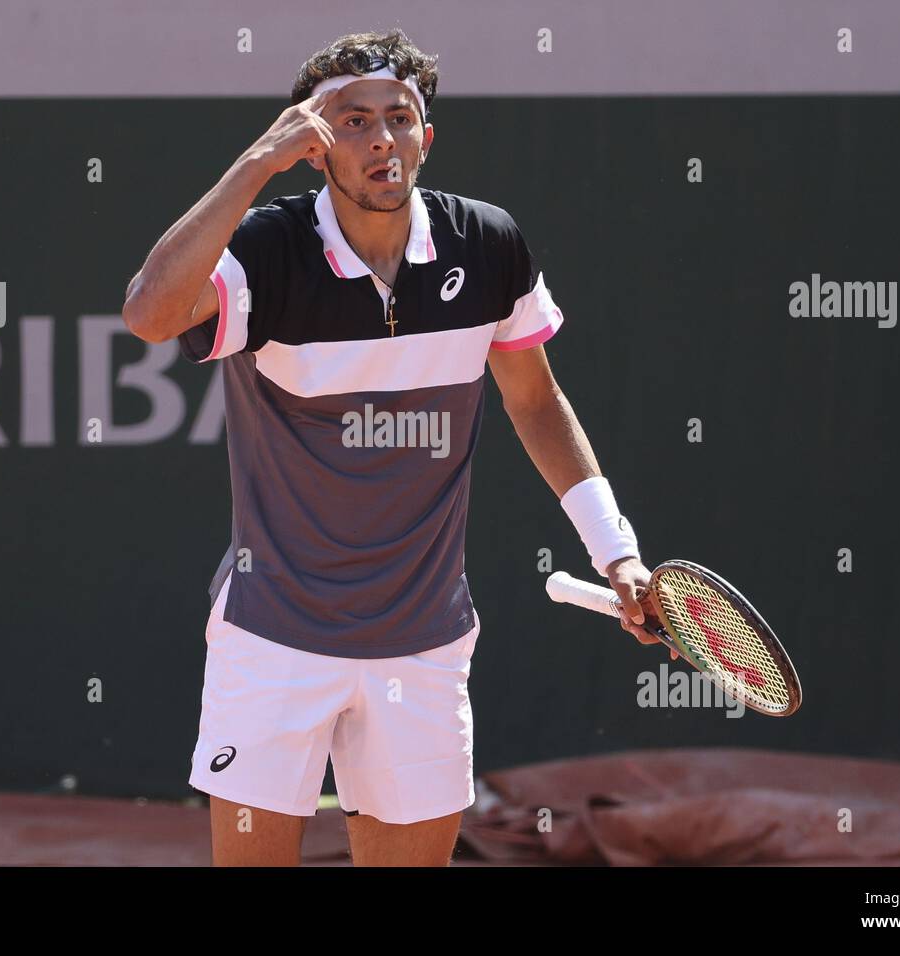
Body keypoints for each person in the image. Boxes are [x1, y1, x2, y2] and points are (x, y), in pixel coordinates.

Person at [122, 29, 668, 867]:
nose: (381, 139)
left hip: (422, 644)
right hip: (271, 640)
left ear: (426, 136)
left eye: (399, 118)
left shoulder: (486, 247)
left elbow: (536, 399)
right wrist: (253, 165)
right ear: (313, 145)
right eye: (351, 122)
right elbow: (151, 314)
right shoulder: (268, 253)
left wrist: (616, 553)